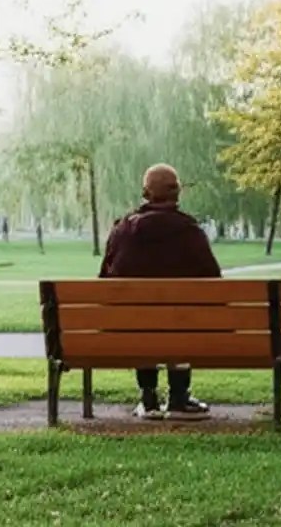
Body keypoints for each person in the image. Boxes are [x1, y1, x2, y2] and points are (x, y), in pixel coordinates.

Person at [99, 163, 222, 419]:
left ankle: (148, 398)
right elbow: (214, 284)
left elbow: (104, 282)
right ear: (177, 193)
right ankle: (178, 398)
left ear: (145, 194)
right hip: (184, 329)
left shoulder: (122, 231)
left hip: (133, 330)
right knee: (183, 321)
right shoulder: (191, 233)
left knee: (140, 322)